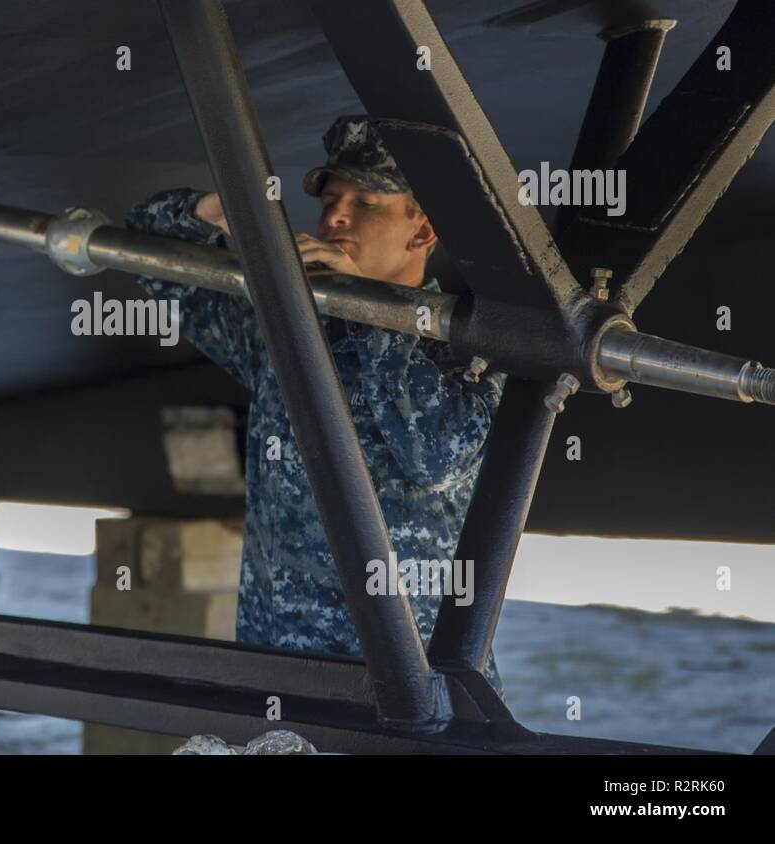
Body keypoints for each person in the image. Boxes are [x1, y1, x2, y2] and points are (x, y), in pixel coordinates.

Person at [126, 116, 508, 696]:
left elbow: (433, 454)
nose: (334, 217)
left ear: (423, 232)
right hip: (277, 675)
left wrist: (362, 308)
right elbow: (150, 263)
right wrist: (217, 211)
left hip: (408, 692)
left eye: (365, 203)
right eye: (331, 200)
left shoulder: (468, 344)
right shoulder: (289, 331)